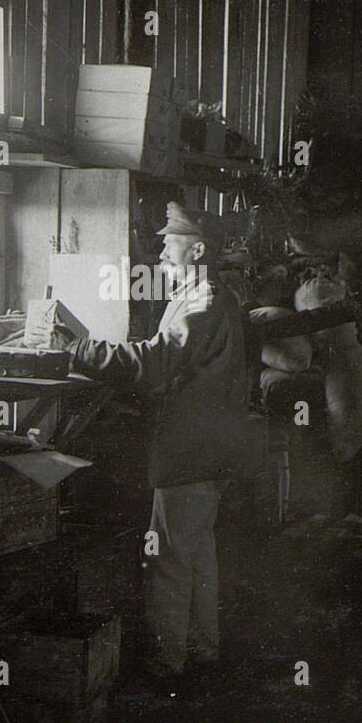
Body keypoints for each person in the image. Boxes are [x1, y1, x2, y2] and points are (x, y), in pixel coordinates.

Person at [64, 202, 249, 680]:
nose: (161, 252)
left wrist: (76, 349)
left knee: (168, 557)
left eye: (171, 243)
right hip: (205, 452)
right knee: (195, 555)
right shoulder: (199, 296)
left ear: (199, 249)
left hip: (191, 454)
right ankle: (201, 651)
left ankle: (167, 665)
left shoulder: (204, 301)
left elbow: (159, 361)